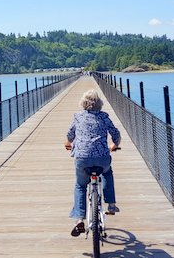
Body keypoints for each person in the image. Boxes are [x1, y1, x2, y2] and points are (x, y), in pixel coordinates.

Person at [64, 89, 121, 237]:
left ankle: (79, 219)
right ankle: (112, 204)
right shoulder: (104, 117)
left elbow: (70, 135)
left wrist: (68, 142)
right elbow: (115, 133)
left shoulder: (78, 117)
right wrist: (114, 144)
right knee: (107, 173)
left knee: (80, 185)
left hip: (82, 158)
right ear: (99, 104)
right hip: (102, 157)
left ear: (83, 103)